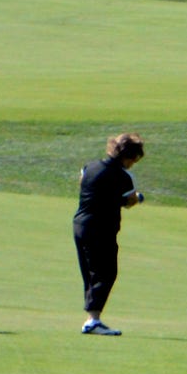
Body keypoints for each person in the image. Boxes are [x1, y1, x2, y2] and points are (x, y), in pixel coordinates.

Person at [72, 133, 145, 335]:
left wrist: (113, 199)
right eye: (134, 159)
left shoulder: (89, 167)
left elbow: (87, 188)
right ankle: (92, 321)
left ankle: (92, 318)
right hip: (101, 229)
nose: (133, 164)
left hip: (80, 225)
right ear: (129, 157)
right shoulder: (124, 176)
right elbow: (130, 201)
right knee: (106, 273)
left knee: (91, 273)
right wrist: (138, 198)